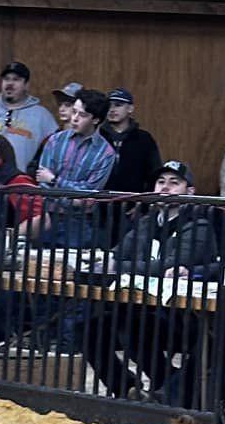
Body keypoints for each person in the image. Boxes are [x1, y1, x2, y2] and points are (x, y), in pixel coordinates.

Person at [85, 159, 217, 408]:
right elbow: (118, 253)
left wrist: (119, 266)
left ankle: (166, 388)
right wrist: (111, 261)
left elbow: (170, 264)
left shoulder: (198, 225)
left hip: (183, 316)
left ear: (190, 192)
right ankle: (127, 389)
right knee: (91, 328)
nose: (165, 188)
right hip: (147, 307)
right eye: (160, 182)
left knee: (133, 324)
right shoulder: (147, 222)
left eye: (174, 183)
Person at [36, 88, 116, 245]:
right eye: (74, 112)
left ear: (96, 120)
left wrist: (54, 181)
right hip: (48, 215)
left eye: (82, 115)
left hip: (79, 222)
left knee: (72, 266)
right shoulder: (55, 141)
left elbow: (88, 195)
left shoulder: (106, 153)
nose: (74, 118)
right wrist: (74, 197)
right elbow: (42, 182)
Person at [0, 62, 56, 172]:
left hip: (21, 182)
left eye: (16, 79)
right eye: (6, 79)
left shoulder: (42, 116)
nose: (10, 83)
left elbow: (53, 152)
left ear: (26, 85)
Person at [102, 88, 161, 193]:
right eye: (108, 105)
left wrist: (143, 205)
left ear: (130, 108)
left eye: (118, 105)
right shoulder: (98, 136)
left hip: (133, 203)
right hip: (98, 203)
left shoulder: (144, 139)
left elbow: (154, 174)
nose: (111, 109)